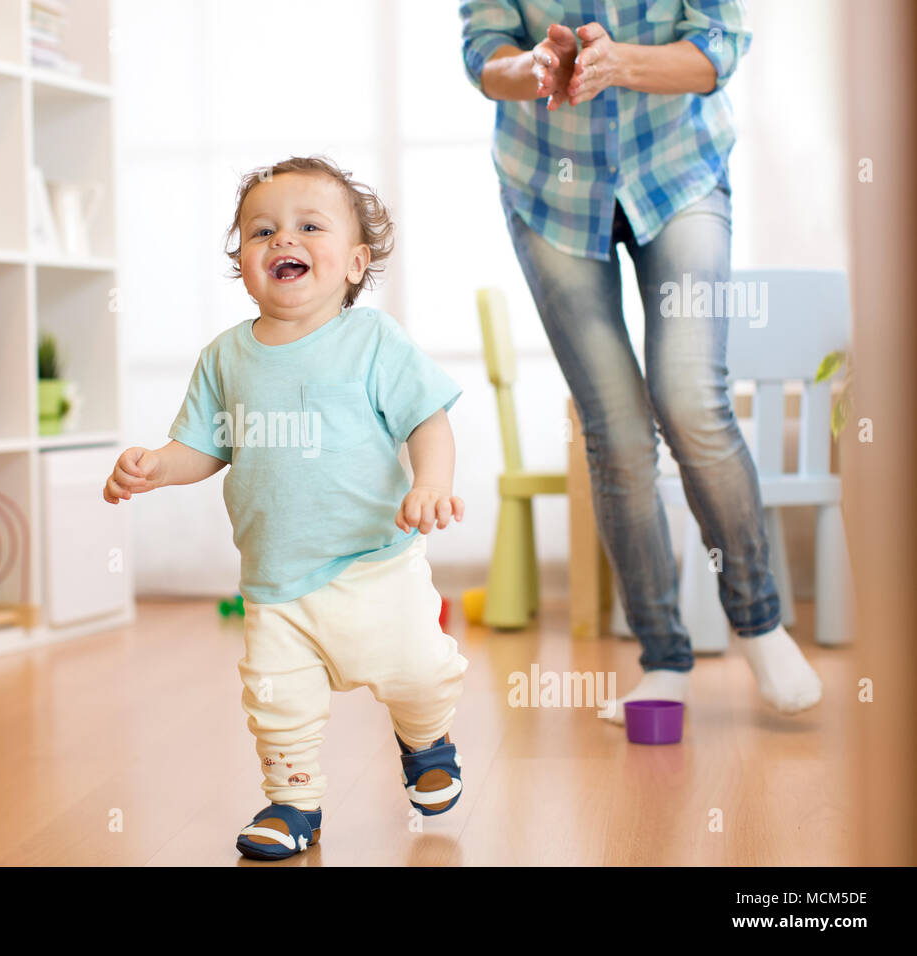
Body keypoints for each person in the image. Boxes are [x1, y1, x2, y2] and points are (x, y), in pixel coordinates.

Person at [459, 0, 822, 721]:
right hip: (549, 187)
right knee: (618, 430)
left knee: (689, 398)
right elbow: (482, 50)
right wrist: (531, 67)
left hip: (676, 170)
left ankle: (759, 620)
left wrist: (619, 61)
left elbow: (717, 46)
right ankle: (663, 660)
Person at [103, 156, 470, 860]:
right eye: (260, 231)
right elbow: (203, 447)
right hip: (275, 579)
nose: (281, 241)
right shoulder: (226, 357)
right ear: (240, 258)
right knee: (277, 702)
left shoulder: (373, 341)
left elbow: (429, 420)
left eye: (307, 226)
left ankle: (426, 740)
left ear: (356, 262)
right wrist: (155, 466)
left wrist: (429, 481)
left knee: (420, 671)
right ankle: (293, 801)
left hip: (374, 565)